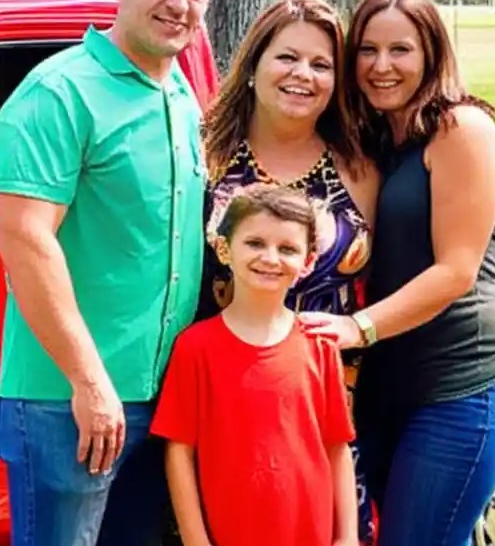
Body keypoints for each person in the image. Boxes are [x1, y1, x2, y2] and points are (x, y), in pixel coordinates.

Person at [0, 0, 219, 545]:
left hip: (157, 397)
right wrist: (90, 383)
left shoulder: (178, 95)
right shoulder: (58, 93)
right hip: (67, 399)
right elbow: (25, 240)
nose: (179, 4)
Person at [300, 0, 495, 546]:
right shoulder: (378, 137)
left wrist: (357, 327)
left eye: (400, 50)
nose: (381, 66)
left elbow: (457, 271)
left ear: (431, 53)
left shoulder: (461, 130)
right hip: (386, 386)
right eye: (367, 51)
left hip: (460, 389)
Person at [196, 0, 378, 541]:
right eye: (287, 58)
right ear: (253, 65)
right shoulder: (205, 155)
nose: (303, 75)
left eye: (321, 64)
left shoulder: (359, 166)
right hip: (228, 397)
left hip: (329, 407)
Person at [151, 182, 360, 546]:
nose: (270, 258)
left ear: (308, 261)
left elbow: (337, 448)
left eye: (288, 248)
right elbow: (179, 451)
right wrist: (196, 540)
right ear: (224, 248)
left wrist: (346, 538)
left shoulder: (319, 345)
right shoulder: (195, 348)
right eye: (255, 243)